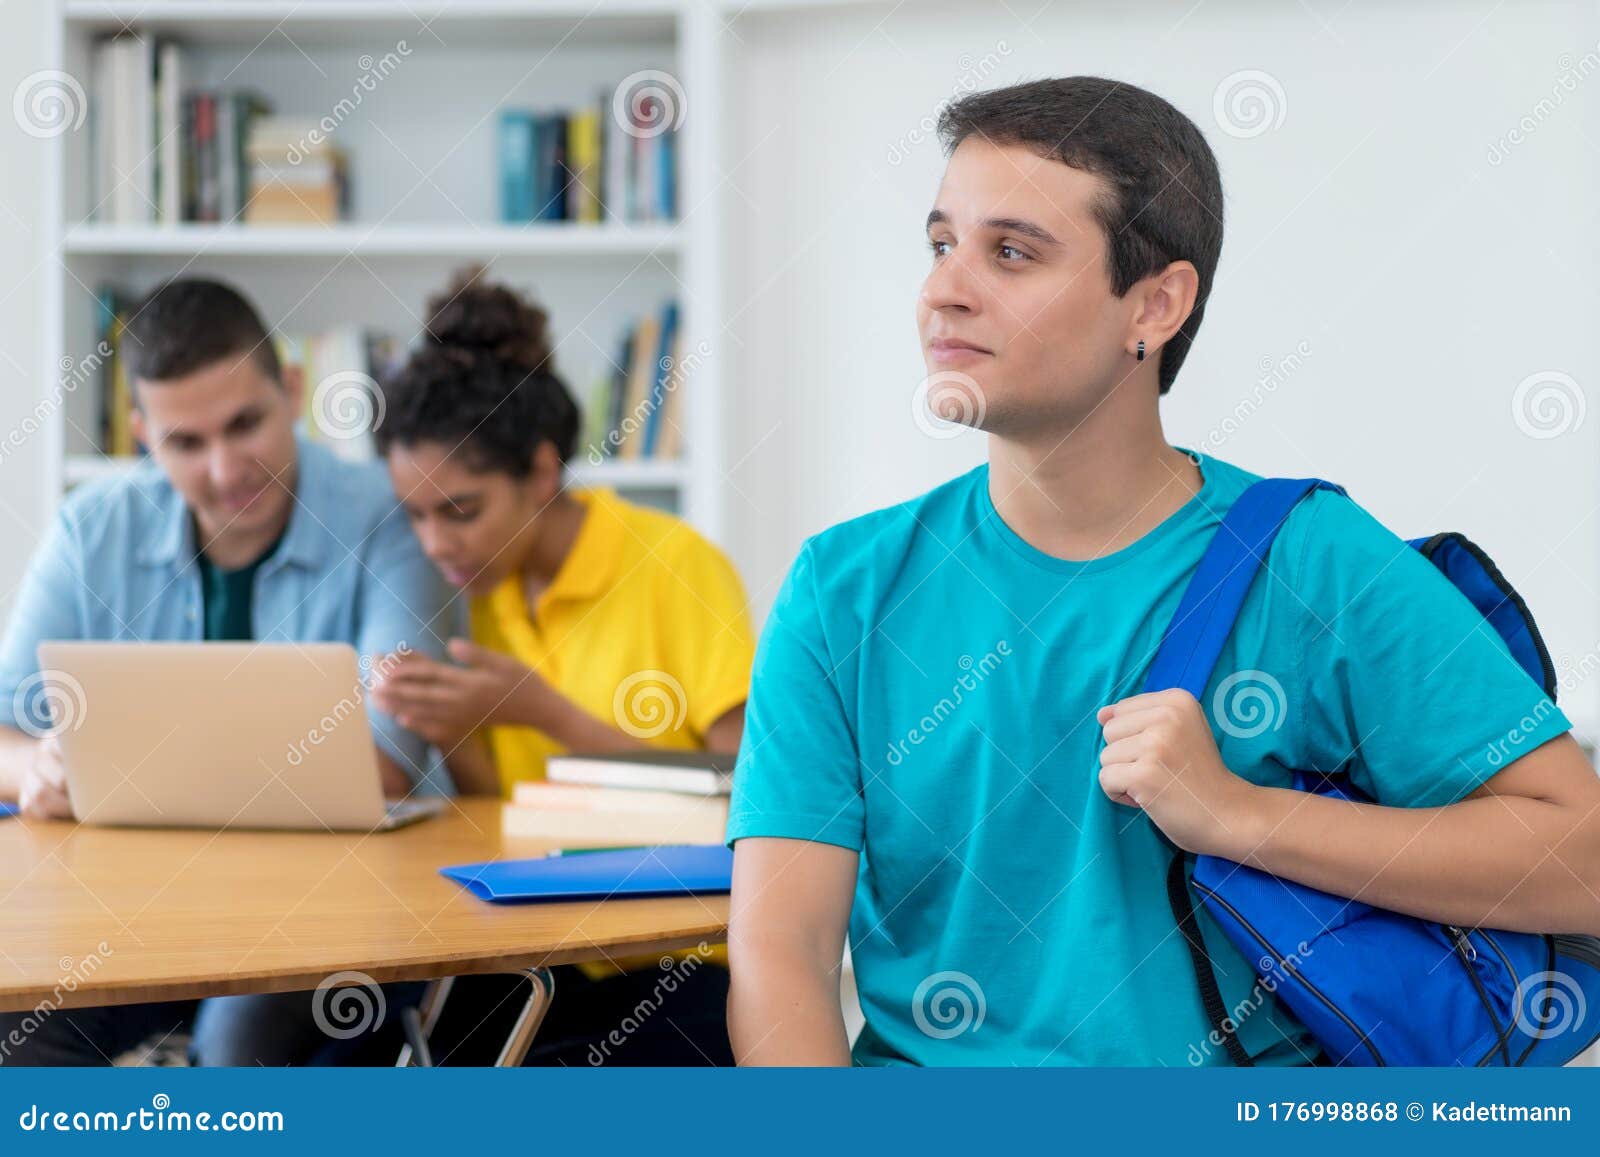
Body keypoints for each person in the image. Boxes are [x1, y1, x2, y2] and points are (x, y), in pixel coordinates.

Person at [723, 76, 1600, 1067]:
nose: (944, 290)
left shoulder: (1313, 560)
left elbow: (1582, 861)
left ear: (1154, 303)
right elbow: (779, 950)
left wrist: (1240, 814)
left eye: (1010, 252)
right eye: (940, 245)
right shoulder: (844, 588)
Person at [0, 278, 448, 1066]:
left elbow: (385, 762)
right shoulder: (90, 529)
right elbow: (5, 725)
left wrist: (133, 770)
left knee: (238, 1055)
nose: (225, 467)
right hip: (126, 915)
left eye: (246, 424)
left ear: (294, 392)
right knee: (20, 1038)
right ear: (142, 433)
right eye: (185, 441)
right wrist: (36, 763)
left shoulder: (388, 520)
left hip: (324, 917)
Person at [370, 267, 754, 1065]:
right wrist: (453, 730)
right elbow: (502, 816)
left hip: (672, 958)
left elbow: (747, 797)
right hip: (532, 944)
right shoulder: (470, 593)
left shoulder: (675, 566)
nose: (437, 543)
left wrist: (544, 712)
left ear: (543, 474)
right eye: (415, 514)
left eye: (461, 510)